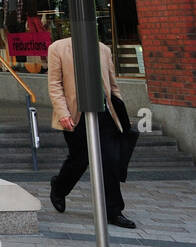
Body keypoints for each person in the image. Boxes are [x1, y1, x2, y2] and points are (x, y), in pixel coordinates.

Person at [46, 37, 135, 228]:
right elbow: (54, 85)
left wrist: (121, 112)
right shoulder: (58, 48)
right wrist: (62, 113)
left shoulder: (103, 49)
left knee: (110, 161)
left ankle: (114, 211)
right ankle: (59, 187)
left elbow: (112, 84)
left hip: (104, 115)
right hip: (75, 115)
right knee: (80, 159)